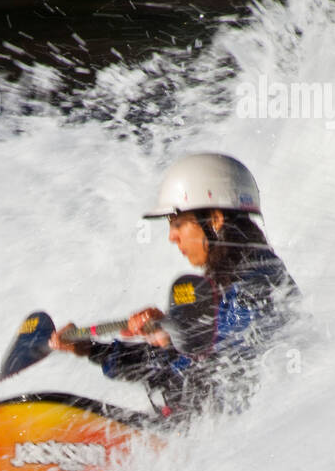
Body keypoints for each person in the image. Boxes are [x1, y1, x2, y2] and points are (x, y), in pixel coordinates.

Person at [50, 153, 300, 416]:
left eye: (178, 223)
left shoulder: (253, 286)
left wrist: (169, 338)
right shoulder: (244, 279)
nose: (172, 237)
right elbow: (200, 363)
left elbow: (213, 377)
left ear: (215, 221)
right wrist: (94, 348)